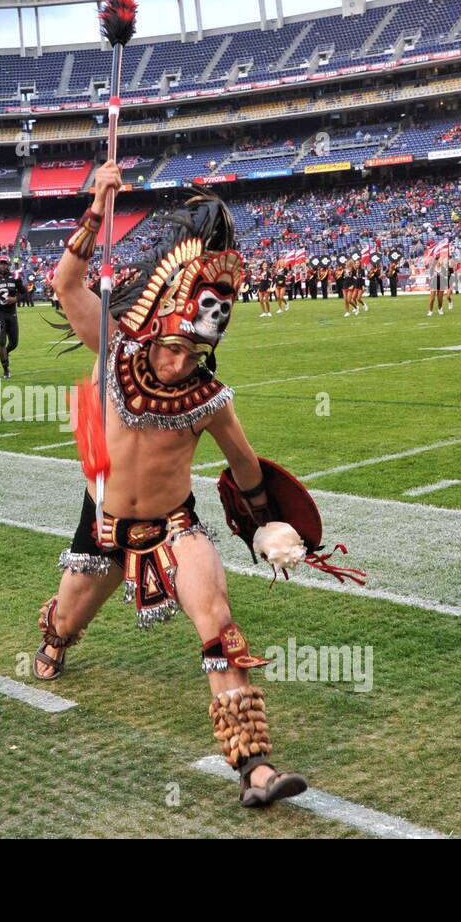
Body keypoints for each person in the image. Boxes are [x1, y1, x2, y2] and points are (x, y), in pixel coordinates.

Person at [32, 162, 307, 808]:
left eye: (194, 351)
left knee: (218, 621)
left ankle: (255, 768)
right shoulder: (115, 346)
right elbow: (65, 282)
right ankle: (52, 636)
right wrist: (97, 210)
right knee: (65, 619)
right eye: (175, 345)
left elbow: (244, 467)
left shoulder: (210, 398)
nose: (180, 360)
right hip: (103, 526)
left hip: (173, 529)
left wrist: (264, 523)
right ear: (158, 321)